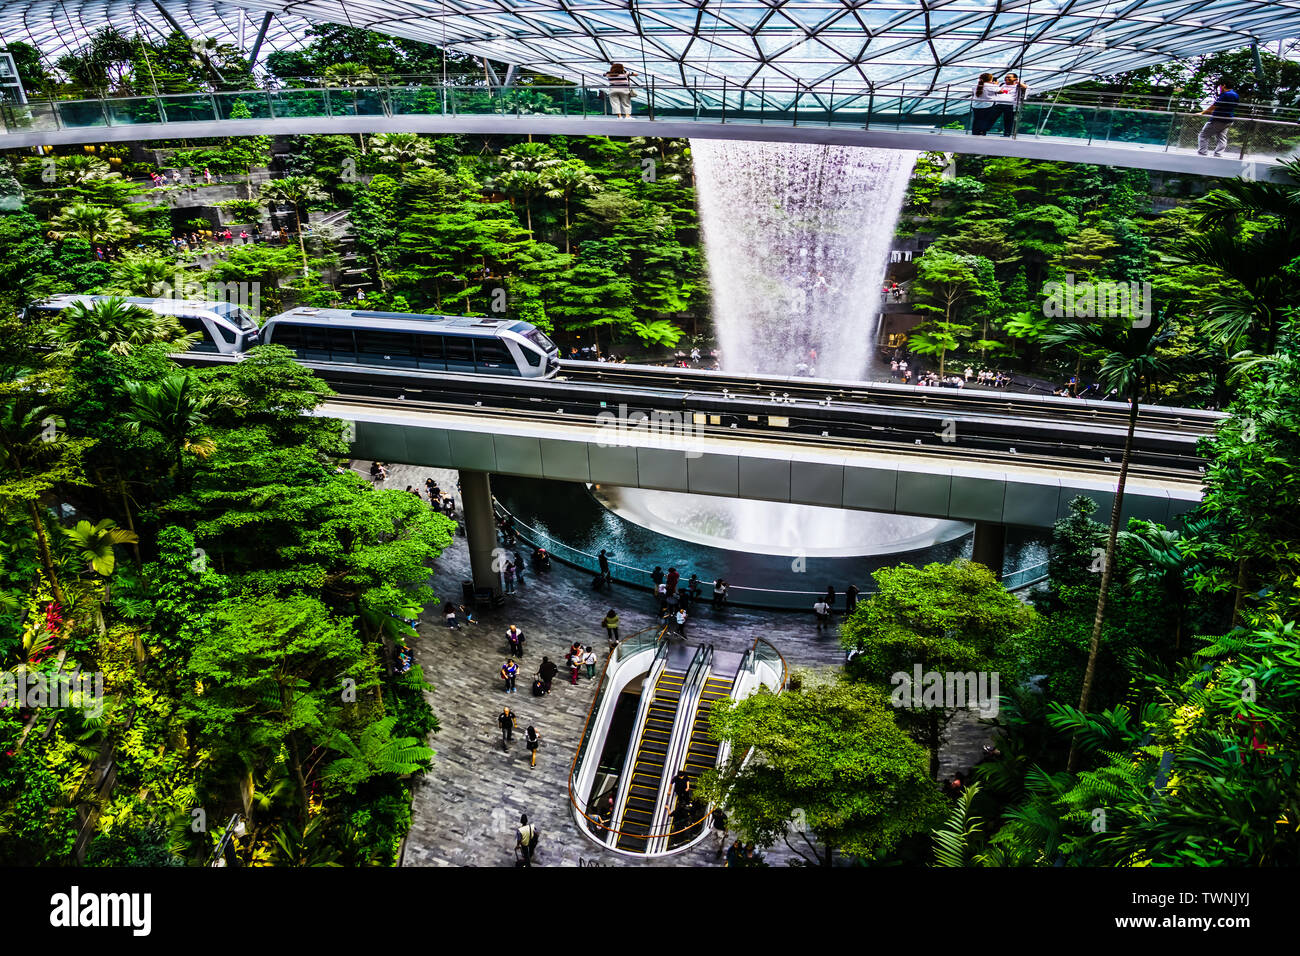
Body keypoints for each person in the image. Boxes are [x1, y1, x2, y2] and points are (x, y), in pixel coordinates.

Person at [1198, 78, 1239, 157]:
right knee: (1221, 137)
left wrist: (1203, 112)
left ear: (1224, 85)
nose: (1219, 87)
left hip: (1218, 119)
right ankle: (1218, 154)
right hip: (1229, 120)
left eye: (1220, 86)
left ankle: (1202, 153)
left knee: (1203, 135)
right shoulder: (1235, 95)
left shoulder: (1226, 94)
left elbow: (1215, 105)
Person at [990, 72, 1028, 137]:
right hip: (999, 104)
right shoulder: (1002, 84)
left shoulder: (1017, 86)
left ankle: (1007, 133)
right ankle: (984, 130)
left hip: (1010, 105)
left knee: (1008, 120)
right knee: (991, 118)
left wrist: (1018, 82)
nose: (1007, 78)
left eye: (1009, 77)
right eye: (1006, 77)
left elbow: (1025, 87)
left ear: (1015, 78)